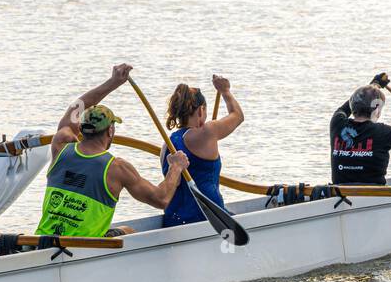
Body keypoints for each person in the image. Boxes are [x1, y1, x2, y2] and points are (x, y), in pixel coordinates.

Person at [36, 64, 189, 238]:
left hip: (42, 240)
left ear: (81, 128)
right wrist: (175, 168)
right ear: (110, 131)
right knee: (129, 233)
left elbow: (75, 107)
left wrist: (113, 82)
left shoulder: (61, 144)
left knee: (126, 230)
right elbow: (161, 199)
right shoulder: (117, 168)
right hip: (83, 250)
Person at [159, 75, 243, 226]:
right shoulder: (208, 131)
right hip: (207, 221)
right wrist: (225, 90)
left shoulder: (167, 146)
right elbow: (237, 116)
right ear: (200, 111)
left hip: (174, 221)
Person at [329, 75, 391, 185]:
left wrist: (373, 86)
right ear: (377, 109)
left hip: (339, 193)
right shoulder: (385, 132)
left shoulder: (337, 123)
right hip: (374, 196)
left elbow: (346, 107)